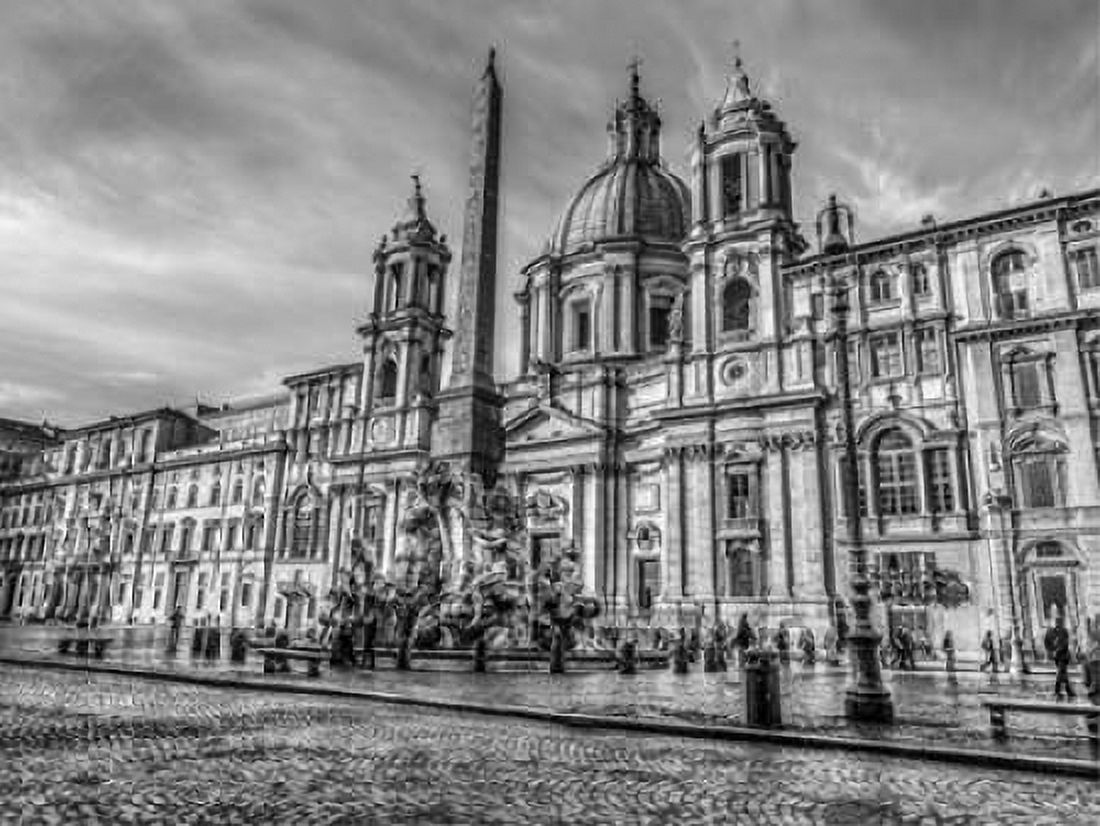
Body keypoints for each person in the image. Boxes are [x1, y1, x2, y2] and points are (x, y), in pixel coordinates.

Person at [1045, 616, 1076, 700]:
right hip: (1060, 656)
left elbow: (1065, 643)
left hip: (1062, 656)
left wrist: (1056, 648)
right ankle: (1064, 690)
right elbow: (1050, 643)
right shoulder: (1054, 631)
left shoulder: (1062, 631)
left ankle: (1061, 690)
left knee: (1062, 672)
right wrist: (1055, 648)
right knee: (1062, 672)